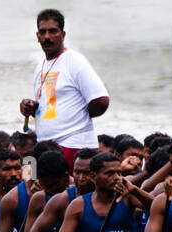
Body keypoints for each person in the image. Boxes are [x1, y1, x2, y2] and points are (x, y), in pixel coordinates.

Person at [18, 9, 109, 171]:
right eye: (43, 32)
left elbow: (101, 101)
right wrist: (31, 108)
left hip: (73, 145)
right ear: (37, 36)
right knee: (30, 182)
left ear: (63, 34)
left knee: (67, 194)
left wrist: (78, 117)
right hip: (46, 145)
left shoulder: (75, 61)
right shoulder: (40, 66)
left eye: (53, 31)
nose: (47, 36)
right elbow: (49, 106)